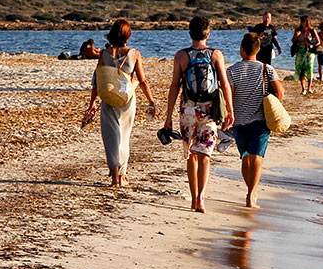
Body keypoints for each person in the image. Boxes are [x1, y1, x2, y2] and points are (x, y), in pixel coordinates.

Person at [163, 16, 235, 213]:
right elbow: (225, 84)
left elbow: (175, 86)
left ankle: (193, 197)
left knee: (191, 155)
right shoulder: (216, 55)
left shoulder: (181, 56)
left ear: (190, 34)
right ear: (208, 34)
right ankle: (201, 199)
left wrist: (168, 116)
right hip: (209, 111)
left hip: (187, 110)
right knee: (205, 155)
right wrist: (230, 110)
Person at [83, 19, 158, 188]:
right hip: (127, 99)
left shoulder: (104, 54)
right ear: (127, 36)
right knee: (124, 136)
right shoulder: (134, 54)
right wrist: (151, 101)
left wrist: (92, 103)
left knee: (110, 137)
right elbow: (143, 80)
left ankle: (115, 176)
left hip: (108, 98)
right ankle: (122, 175)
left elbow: (97, 81)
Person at [226, 32, 285, 209]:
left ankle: (249, 188)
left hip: (239, 122)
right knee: (257, 157)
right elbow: (280, 93)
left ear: (241, 50)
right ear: (258, 50)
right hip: (260, 121)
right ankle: (252, 193)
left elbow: (230, 95)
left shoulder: (232, 70)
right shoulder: (267, 69)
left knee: (245, 157)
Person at [291, 16, 317, 95]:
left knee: (309, 68)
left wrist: (310, 43)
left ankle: (309, 88)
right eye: (301, 21)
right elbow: (293, 41)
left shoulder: (312, 30)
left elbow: (318, 41)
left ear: (307, 22)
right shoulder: (298, 30)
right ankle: (303, 88)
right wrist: (297, 36)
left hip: (309, 51)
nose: (302, 23)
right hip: (300, 51)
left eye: (304, 21)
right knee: (301, 69)